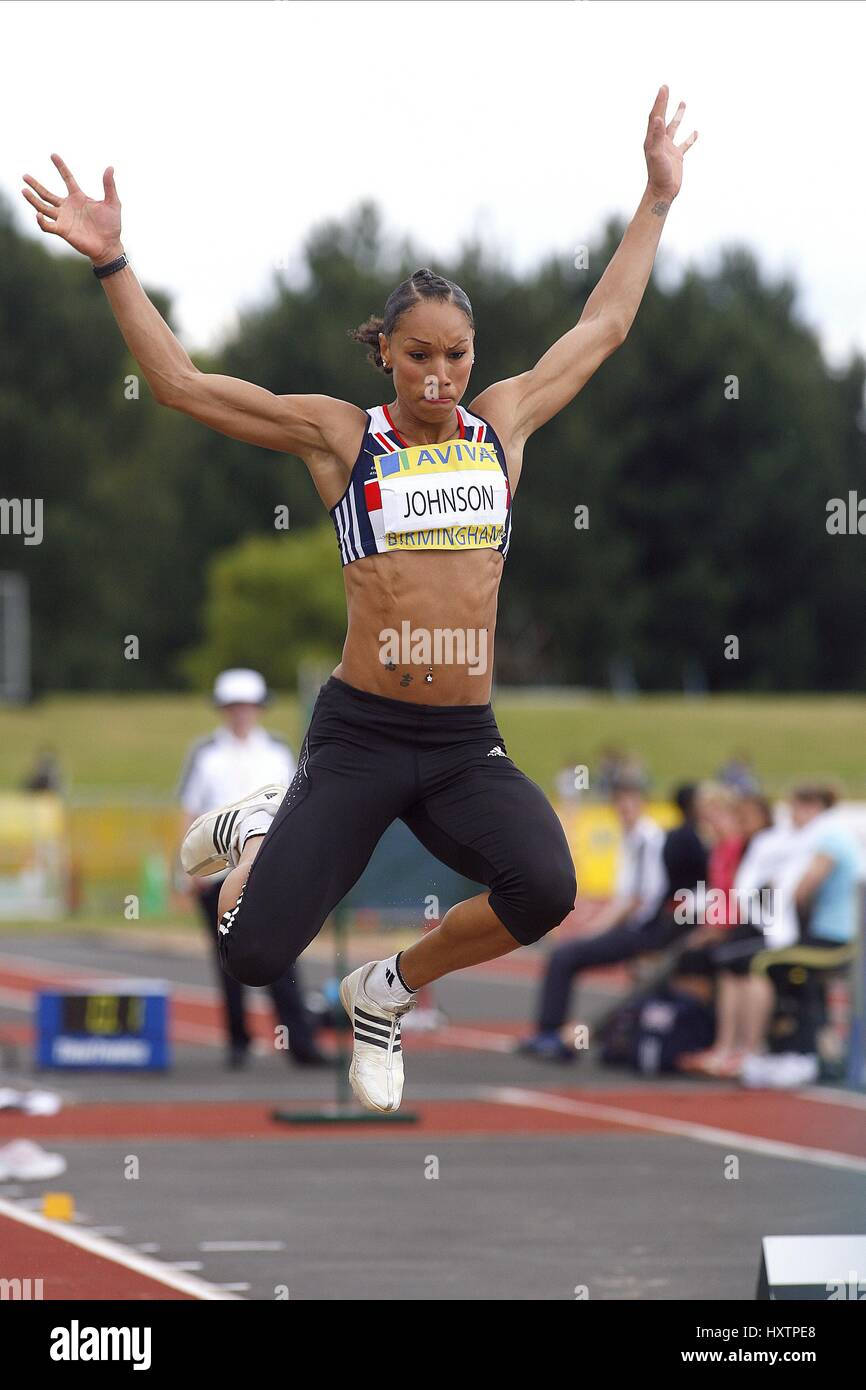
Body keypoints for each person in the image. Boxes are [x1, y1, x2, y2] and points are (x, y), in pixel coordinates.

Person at [24, 88, 697, 1112]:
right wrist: (114, 262)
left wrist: (652, 198)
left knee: (546, 889)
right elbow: (182, 384)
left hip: (462, 739)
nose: (439, 374)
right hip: (361, 735)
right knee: (250, 954)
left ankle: (384, 991)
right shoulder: (344, 437)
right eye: (418, 354)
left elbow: (601, 326)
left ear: (474, 357)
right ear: (383, 349)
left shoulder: (500, 427)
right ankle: (263, 823)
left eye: (456, 355)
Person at [177, 668, 330, 1069]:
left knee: (282, 956)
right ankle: (238, 1041)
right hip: (216, 872)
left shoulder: (278, 751)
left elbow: (296, 806)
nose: (240, 713)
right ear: (223, 709)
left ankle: (301, 1042)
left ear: (258, 708)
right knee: (227, 960)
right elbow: (189, 811)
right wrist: (189, 871)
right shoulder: (206, 752)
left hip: (268, 870)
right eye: (233, 706)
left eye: (246, 705)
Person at [516, 773, 671, 1060]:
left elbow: (636, 900)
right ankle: (554, 1032)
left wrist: (597, 929)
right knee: (567, 955)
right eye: (619, 802)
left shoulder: (647, 839)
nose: (624, 808)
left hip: (644, 930)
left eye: (629, 802)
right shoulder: (633, 837)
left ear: (642, 803)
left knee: (565, 956)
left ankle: (551, 1033)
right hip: (637, 926)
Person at [738, 784, 864, 1087]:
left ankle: (754, 1048)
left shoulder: (830, 837)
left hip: (835, 940)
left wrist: (780, 906)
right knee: (779, 968)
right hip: (820, 934)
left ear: (812, 807)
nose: (792, 816)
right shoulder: (821, 837)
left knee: (763, 963)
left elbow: (803, 888)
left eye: (795, 808)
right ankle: (788, 1045)